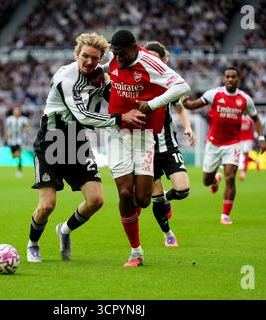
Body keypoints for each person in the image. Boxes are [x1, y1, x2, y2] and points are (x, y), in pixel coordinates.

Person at [27, 33, 146, 263]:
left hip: (77, 141)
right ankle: (33, 244)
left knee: (96, 200)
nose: (89, 62)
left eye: (95, 58)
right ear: (77, 54)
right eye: (85, 56)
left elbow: (118, 97)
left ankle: (65, 230)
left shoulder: (102, 76)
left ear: (101, 58)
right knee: (47, 204)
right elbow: (82, 115)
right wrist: (121, 118)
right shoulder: (65, 77)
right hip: (51, 142)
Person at [106, 30, 190, 267]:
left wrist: (152, 104)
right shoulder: (114, 58)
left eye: (121, 54)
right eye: (115, 53)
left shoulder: (149, 62)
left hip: (144, 137)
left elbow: (182, 86)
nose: (118, 59)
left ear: (134, 47)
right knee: (124, 193)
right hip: (118, 134)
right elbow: (105, 68)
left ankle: (140, 213)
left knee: (142, 199)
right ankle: (136, 252)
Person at [181, 67, 266, 225]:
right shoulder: (214, 94)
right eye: (227, 77)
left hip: (232, 144)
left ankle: (225, 215)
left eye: (233, 77)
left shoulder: (245, 99)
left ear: (238, 79)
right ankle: (214, 180)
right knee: (206, 181)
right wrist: (186, 103)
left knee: (231, 177)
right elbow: (194, 105)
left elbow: (256, 119)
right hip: (213, 143)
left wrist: (261, 138)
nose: (230, 79)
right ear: (223, 79)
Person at [144, 41, 195, 248]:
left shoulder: (168, 83)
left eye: (156, 58)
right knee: (155, 198)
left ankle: (164, 198)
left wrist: (188, 127)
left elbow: (180, 108)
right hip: (146, 149)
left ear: (163, 60)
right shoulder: (138, 83)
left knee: (183, 190)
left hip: (168, 144)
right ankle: (167, 234)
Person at [5, 106, 30, 178]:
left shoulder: (24, 119)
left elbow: (28, 127)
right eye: (15, 111)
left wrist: (26, 129)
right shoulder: (9, 119)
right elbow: (6, 129)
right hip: (11, 140)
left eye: (18, 111)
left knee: (19, 155)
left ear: (20, 112)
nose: (17, 112)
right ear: (13, 111)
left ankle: (19, 170)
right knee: (13, 156)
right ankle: (17, 158)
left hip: (20, 139)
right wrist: (7, 134)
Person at [238, 114, 259, 180]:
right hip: (240, 140)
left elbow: (255, 125)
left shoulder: (250, 119)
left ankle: (243, 174)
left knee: (245, 156)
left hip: (248, 140)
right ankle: (256, 161)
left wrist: (255, 133)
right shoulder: (238, 118)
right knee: (242, 156)